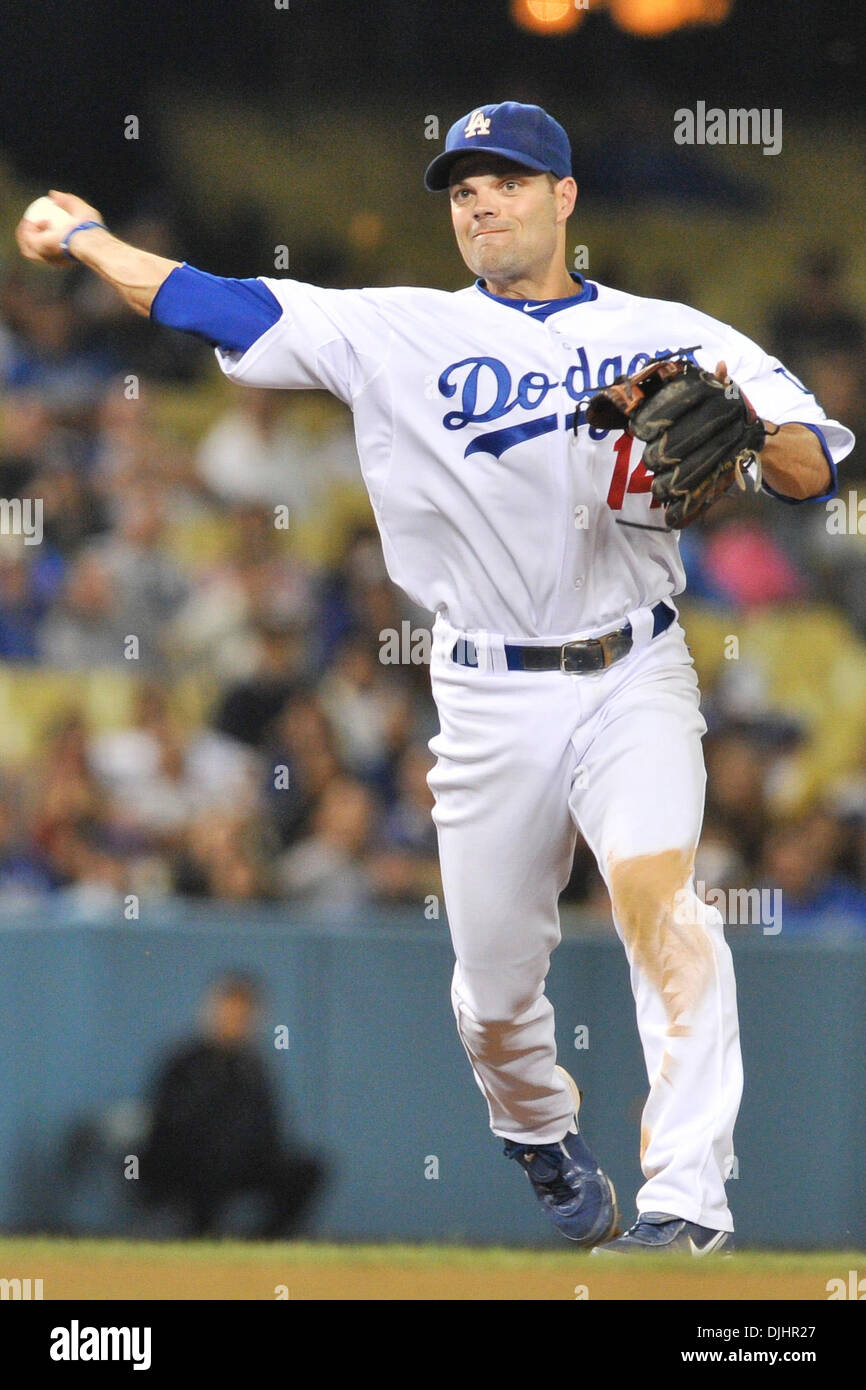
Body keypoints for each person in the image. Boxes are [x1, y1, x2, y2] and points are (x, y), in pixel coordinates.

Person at [17, 101, 854, 1254]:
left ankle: (684, 1204)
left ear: (563, 197)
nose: (478, 200)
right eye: (461, 186)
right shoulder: (394, 331)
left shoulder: (671, 331)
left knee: (668, 912)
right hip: (485, 691)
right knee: (495, 985)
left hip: (634, 669)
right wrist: (92, 240)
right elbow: (213, 300)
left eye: (505, 180)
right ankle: (537, 1128)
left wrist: (753, 438)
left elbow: (816, 470)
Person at [139, 973, 326, 1237]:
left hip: (241, 1161)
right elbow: (168, 1122)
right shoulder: (184, 1060)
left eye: (242, 1014)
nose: (234, 1021)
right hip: (187, 1161)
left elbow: (269, 1126)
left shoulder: (254, 1065)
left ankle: (264, 1243)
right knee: (210, 1163)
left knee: (306, 1169)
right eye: (228, 1012)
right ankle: (200, 1236)